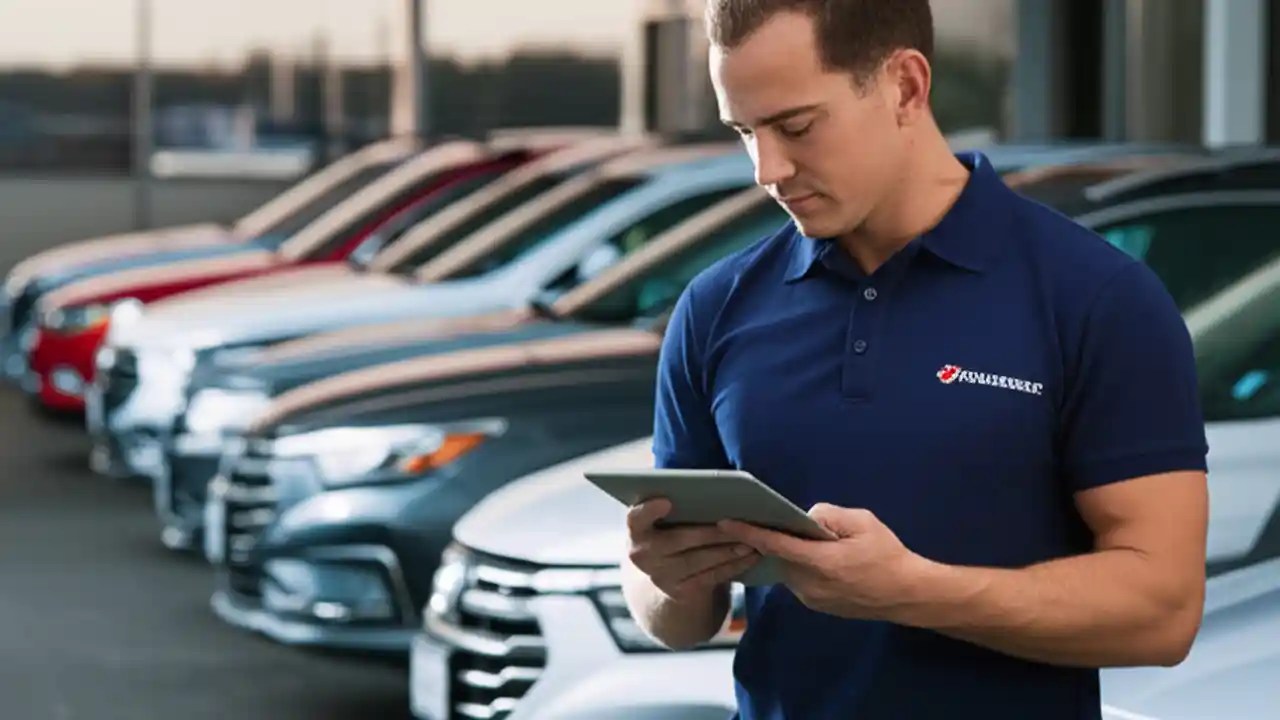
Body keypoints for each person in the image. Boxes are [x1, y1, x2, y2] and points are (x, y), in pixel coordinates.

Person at [619, 1, 1211, 718]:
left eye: (796, 127)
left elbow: (1163, 613)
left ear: (905, 86)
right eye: (745, 132)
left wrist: (914, 592)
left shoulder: (1097, 297)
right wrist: (664, 581)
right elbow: (676, 618)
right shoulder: (717, 307)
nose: (767, 170)